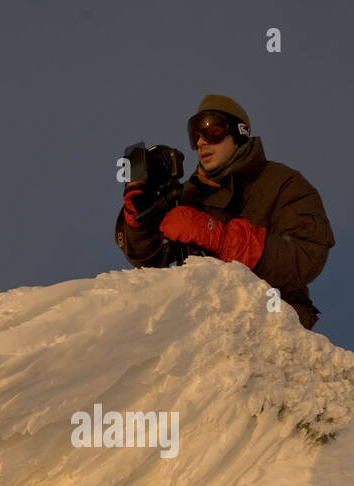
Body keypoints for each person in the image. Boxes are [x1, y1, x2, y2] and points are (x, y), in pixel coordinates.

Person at [114, 94, 336, 330]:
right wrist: (139, 220)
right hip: (199, 324)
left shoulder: (283, 184)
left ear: (239, 132)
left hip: (271, 321)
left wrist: (220, 237)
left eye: (213, 129)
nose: (201, 142)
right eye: (194, 134)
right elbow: (148, 261)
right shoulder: (186, 196)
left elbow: (307, 256)